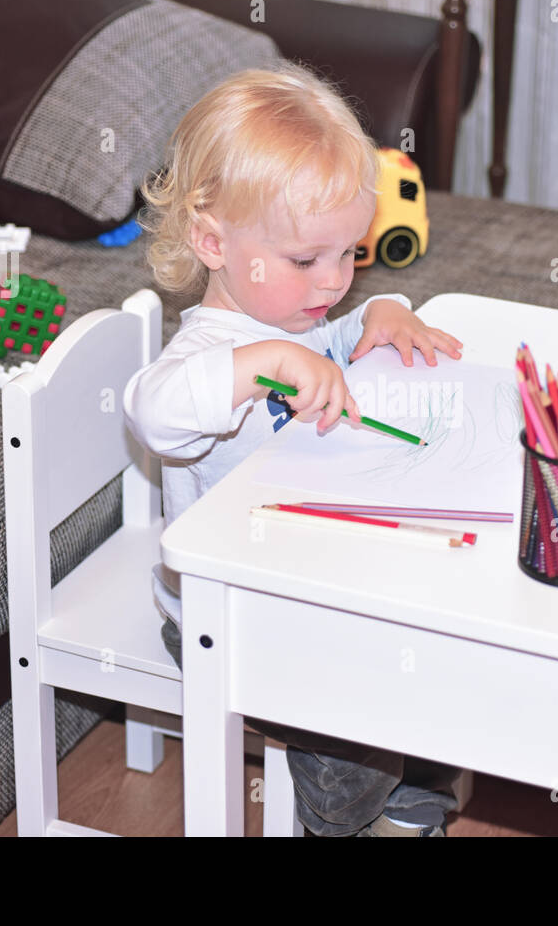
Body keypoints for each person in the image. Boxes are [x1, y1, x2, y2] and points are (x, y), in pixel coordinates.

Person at [123, 61, 463, 836]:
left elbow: (338, 338)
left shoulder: (297, 319)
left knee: (436, 644)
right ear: (213, 239)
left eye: (349, 254)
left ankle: (412, 797)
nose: (333, 280)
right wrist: (264, 364)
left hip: (314, 575)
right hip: (222, 608)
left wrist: (383, 309)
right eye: (309, 260)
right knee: (341, 699)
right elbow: (154, 412)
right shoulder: (208, 350)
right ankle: (346, 824)